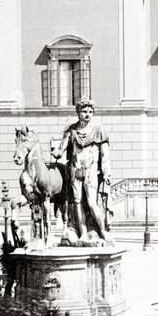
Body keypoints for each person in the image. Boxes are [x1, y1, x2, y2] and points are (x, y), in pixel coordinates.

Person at [51, 98, 112, 243]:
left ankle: (103, 232)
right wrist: (55, 153)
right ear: (78, 112)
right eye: (84, 111)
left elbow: (105, 155)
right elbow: (61, 149)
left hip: (90, 170)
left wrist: (106, 172)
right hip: (75, 170)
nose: (87, 114)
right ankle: (83, 233)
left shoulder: (98, 130)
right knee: (77, 202)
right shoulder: (71, 130)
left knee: (91, 202)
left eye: (90, 112)